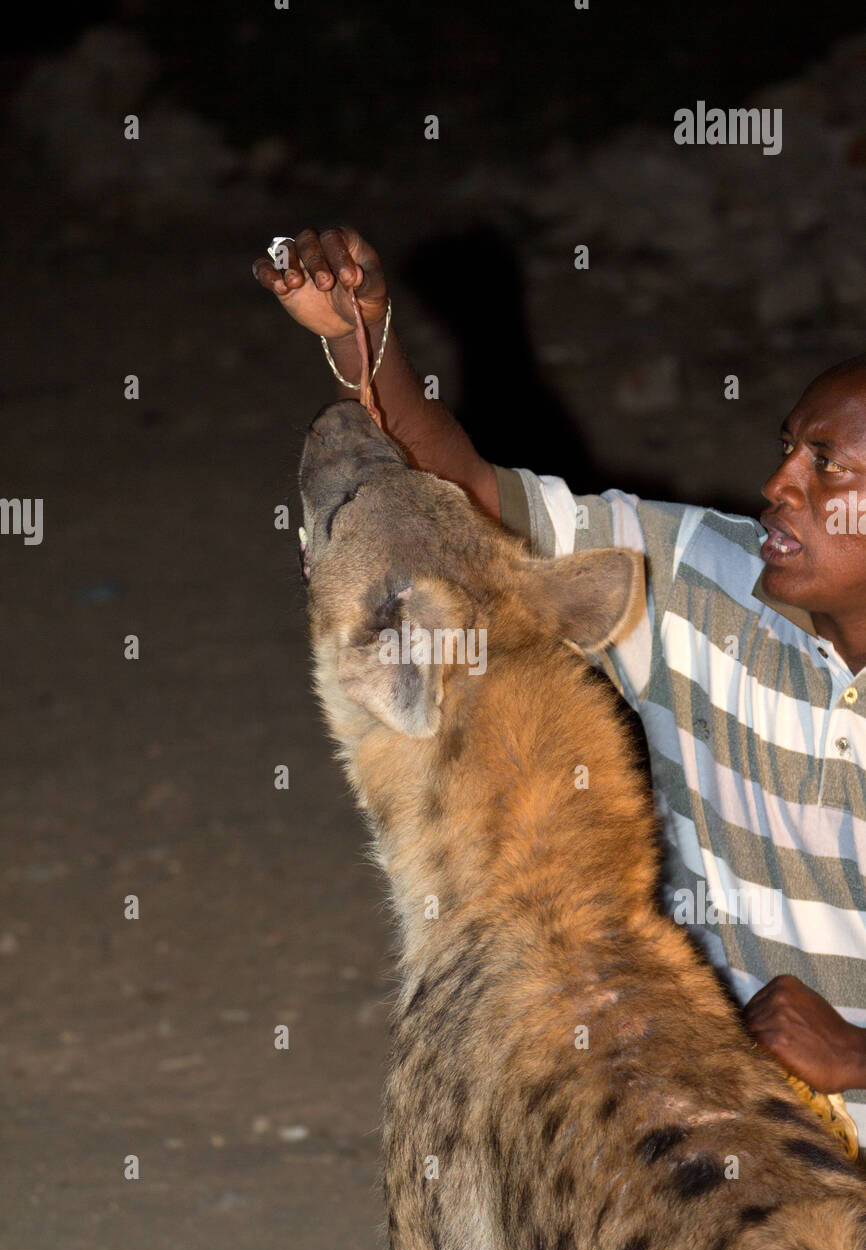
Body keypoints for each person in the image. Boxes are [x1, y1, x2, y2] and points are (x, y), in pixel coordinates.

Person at [253, 226, 866, 1141]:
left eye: (828, 467)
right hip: (732, 1138)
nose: (779, 480)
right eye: (788, 448)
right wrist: (360, 341)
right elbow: (457, 505)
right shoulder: (702, 581)